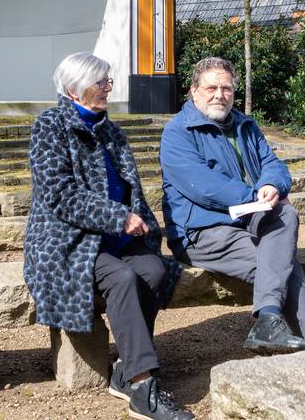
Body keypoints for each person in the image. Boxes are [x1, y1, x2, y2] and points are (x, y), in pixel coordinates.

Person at [24, 52, 193, 420]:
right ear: (74, 89)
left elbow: (130, 189)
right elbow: (60, 196)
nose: (107, 89)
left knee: (155, 271)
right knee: (124, 278)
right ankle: (142, 385)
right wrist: (117, 216)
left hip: (116, 237)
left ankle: (122, 372)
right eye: (101, 83)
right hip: (65, 240)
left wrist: (139, 223)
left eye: (108, 82)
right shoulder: (49, 126)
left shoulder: (110, 129)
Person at [160, 57, 305, 354]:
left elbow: (273, 165)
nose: (220, 95)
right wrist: (256, 196)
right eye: (212, 87)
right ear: (193, 90)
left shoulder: (245, 125)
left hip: (248, 219)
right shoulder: (178, 133)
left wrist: (271, 187)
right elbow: (203, 187)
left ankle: (269, 321)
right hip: (203, 231)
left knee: (286, 213)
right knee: (284, 266)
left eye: (227, 88)